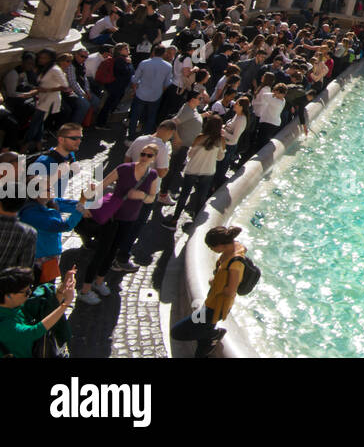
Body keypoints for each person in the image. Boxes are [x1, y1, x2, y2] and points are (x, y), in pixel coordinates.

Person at [78, 146, 159, 304]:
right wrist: (88, 197)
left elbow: (152, 198)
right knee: (101, 252)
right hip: (112, 217)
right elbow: (103, 184)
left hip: (129, 219)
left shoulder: (153, 175)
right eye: (142, 153)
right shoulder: (123, 169)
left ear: (154, 158)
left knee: (112, 252)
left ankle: (99, 282)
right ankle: (85, 289)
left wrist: (141, 195)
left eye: (148, 155)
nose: (144, 157)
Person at [170, 225, 247, 357]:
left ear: (221, 245)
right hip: (212, 302)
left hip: (215, 307)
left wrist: (214, 282)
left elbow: (230, 290)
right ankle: (210, 338)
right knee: (202, 347)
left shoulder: (235, 264)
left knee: (177, 332)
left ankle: (214, 335)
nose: (211, 249)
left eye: (212, 247)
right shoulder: (233, 247)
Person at [0, 265, 76, 358]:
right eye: (26, 292)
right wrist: (66, 304)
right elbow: (35, 331)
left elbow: (45, 309)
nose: (29, 294)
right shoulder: (4, 325)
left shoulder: (14, 307)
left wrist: (63, 287)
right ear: (9, 295)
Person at [166, 115, 225, 231]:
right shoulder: (221, 140)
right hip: (208, 171)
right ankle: (195, 223)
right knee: (201, 197)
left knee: (184, 195)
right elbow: (220, 157)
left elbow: (190, 154)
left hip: (192, 169)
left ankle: (174, 220)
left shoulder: (200, 137)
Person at [127, 45, 172, 138]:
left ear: (153, 52)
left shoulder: (144, 63)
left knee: (135, 116)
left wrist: (135, 87)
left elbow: (135, 79)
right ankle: (147, 137)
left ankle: (130, 137)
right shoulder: (168, 66)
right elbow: (167, 83)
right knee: (151, 117)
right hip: (156, 95)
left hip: (141, 94)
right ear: (164, 54)